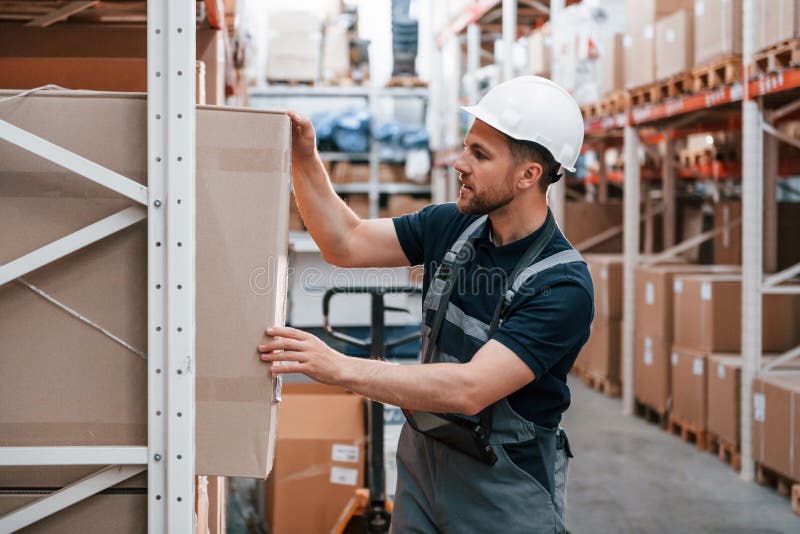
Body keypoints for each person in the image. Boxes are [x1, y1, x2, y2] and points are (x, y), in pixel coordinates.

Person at [258, 76, 594, 534]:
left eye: (480, 153)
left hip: (503, 491)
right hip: (423, 468)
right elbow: (347, 242)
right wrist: (305, 158)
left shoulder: (561, 285)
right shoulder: (452, 225)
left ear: (528, 175)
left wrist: (338, 367)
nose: (460, 163)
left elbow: (470, 388)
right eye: (466, 147)